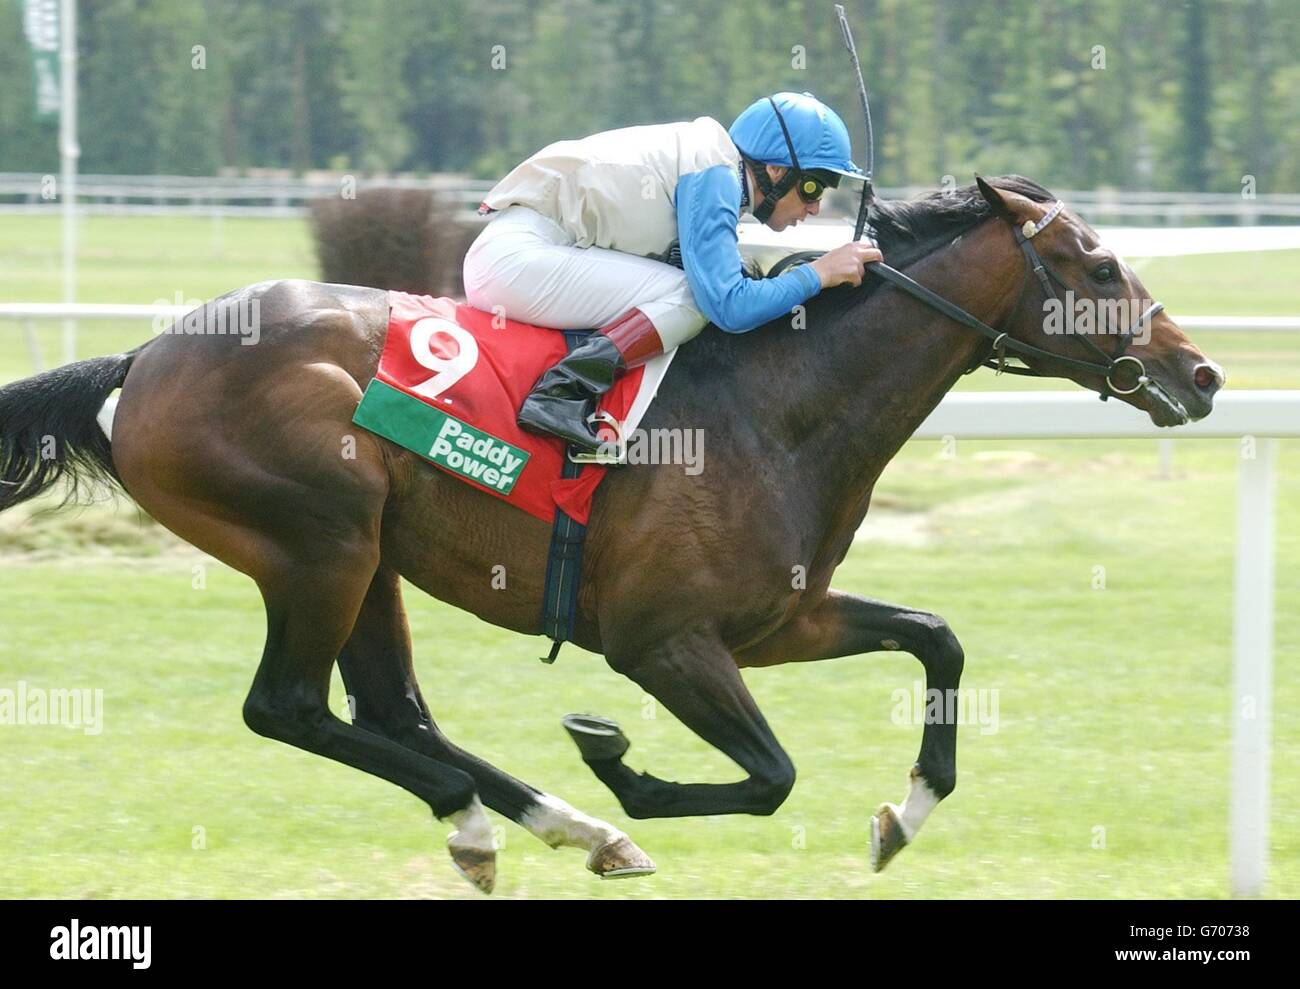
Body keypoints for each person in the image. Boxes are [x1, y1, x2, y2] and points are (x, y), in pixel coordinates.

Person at [463, 91, 884, 454]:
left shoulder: (714, 166)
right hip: (518, 259)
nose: (814, 206)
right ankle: (562, 392)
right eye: (813, 186)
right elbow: (728, 308)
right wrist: (818, 273)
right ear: (775, 170)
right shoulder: (714, 174)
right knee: (689, 298)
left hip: (528, 255)